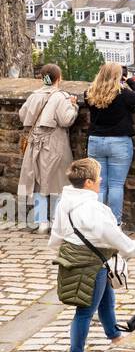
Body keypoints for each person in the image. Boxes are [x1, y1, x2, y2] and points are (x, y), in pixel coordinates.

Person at [49, 157, 135, 352]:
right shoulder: (93, 208)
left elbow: (57, 234)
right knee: (85, 311)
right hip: (91, 264)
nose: (100, 179)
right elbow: (112, 235)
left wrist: (64, 252)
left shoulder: (64, 202)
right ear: (88, 182)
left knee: (106, 301)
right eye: (97, 177)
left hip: (81, 260)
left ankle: (115, 338)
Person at [83, 62, 135, 224]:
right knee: (116, 186)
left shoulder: (89, 93)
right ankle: (114, 224)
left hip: (96, 141)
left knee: (99, 186)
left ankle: (96, 223)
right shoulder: (123, 94)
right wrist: (130, 81)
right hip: (118, 142)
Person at [18, 63, 79, 231]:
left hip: (34, 143)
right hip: (54, 143)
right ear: (59, 78)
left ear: (42, 78)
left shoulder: (34, 96)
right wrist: (73, 105)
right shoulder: (61, 96)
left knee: (38, 181)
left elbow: (22, 115)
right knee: (57, 182)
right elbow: (66, 120)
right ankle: (54, 220)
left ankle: (40, 221)